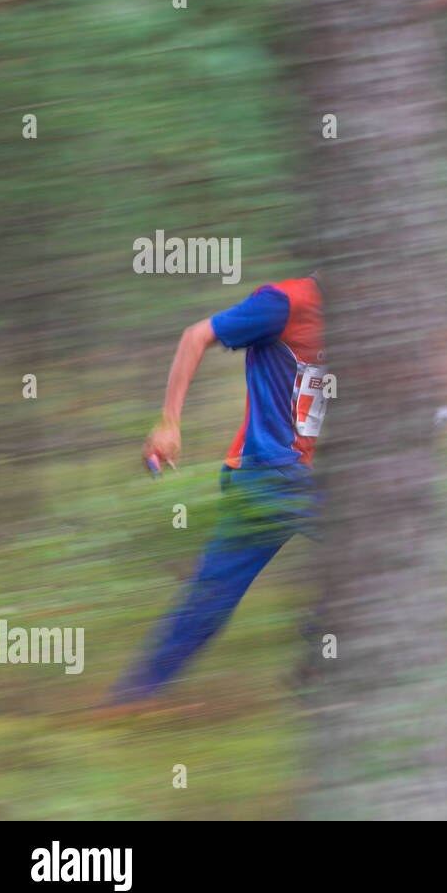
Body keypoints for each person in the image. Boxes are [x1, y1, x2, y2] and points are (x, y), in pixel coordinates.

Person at [109, 273, 327, 704]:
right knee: (375, 536)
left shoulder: (361, 314)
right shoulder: (285, 302)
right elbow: (196, 337)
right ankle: (326, 659)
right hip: (271, 473)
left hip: (262, 479)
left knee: (210, 600)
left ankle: (130, 699)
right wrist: (169, 423)